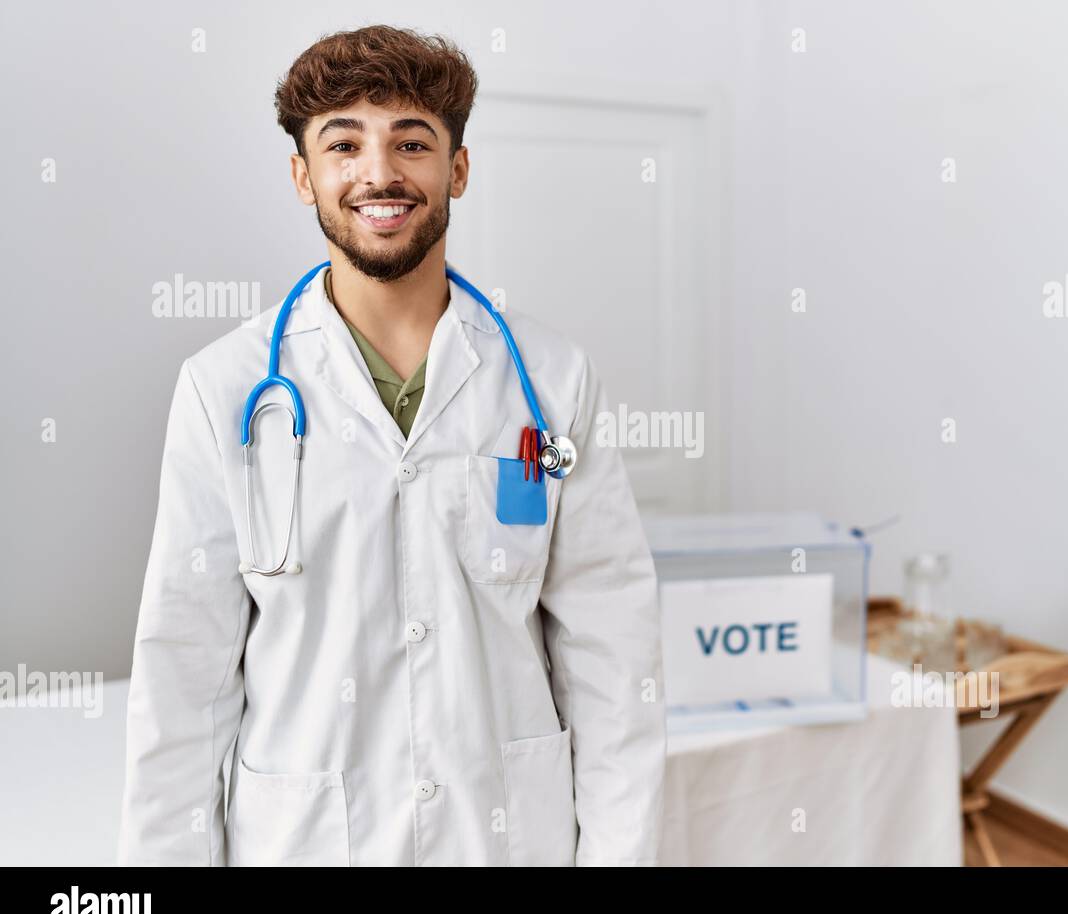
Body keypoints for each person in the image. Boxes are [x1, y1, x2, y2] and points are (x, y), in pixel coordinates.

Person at [116, 25, 665, 867]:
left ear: (459, 168)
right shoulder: (223, 391)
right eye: (345, 144)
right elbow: (182, 676)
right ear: (304, 176)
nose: (379, 173)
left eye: (412, 141)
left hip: (507, 838)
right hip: (307, 843)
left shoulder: (550, 385)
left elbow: (612, 654)